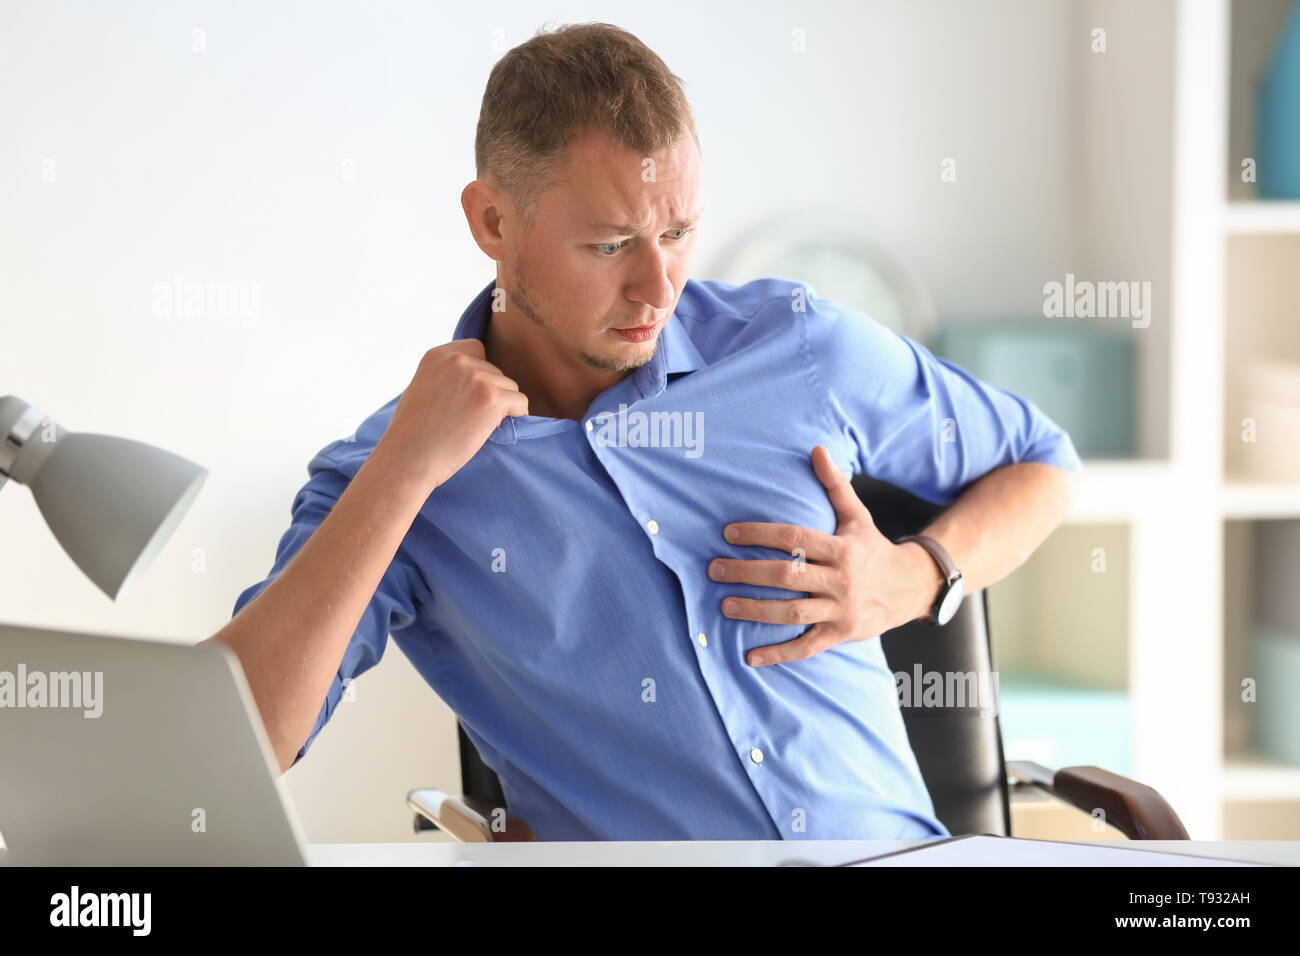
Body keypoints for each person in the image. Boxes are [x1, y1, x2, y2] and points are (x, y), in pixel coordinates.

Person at [207, 21, 1081, 841]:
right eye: (612, 244)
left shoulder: (800, 346)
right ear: (493, 222)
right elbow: (233, 747)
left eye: (679, 231)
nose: (658, 289)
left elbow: (1043, 462)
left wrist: (916, 576)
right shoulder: (396, 470)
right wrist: (400, 475)